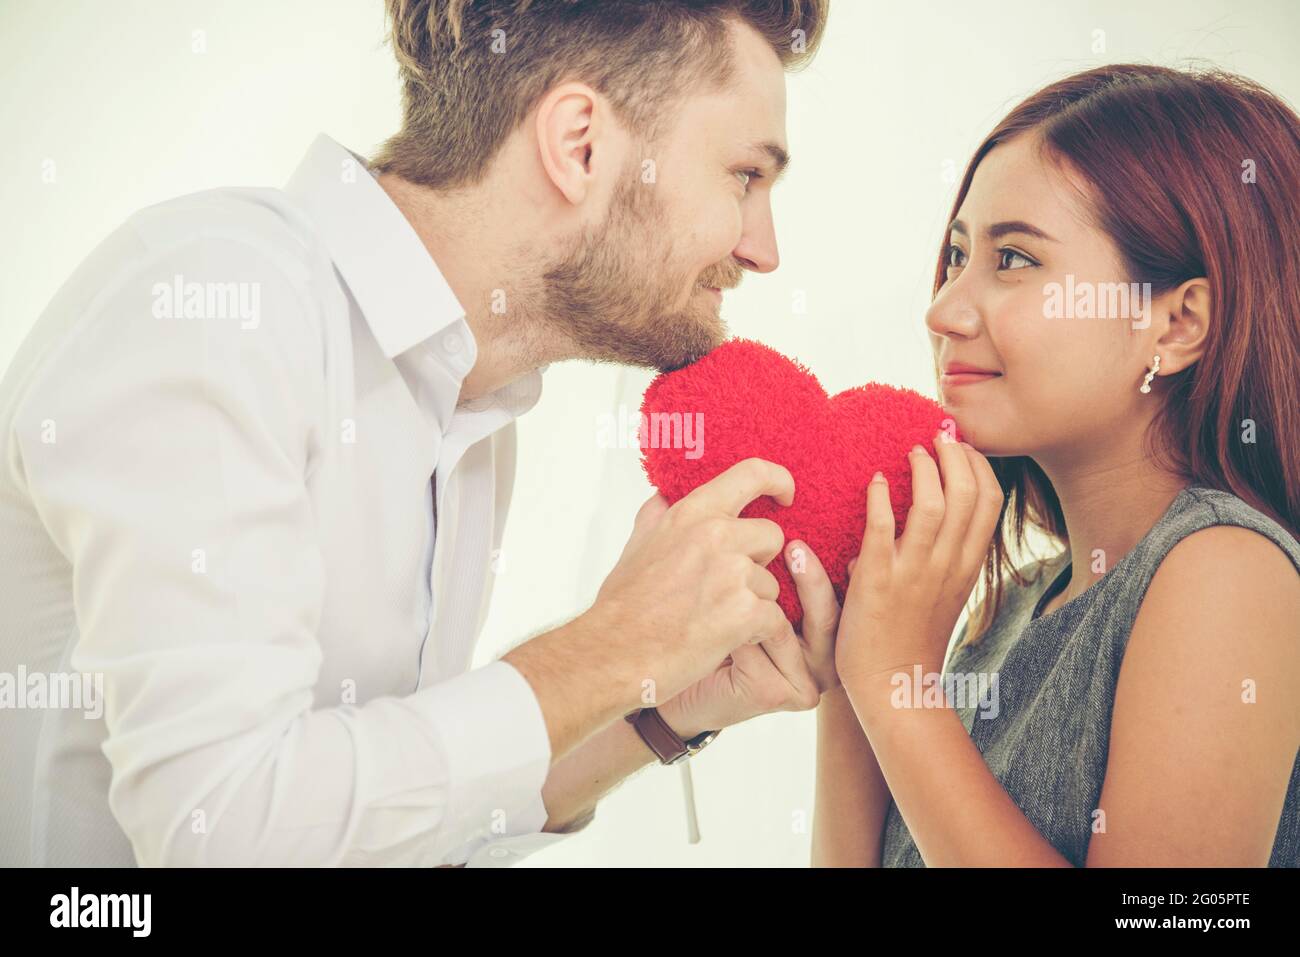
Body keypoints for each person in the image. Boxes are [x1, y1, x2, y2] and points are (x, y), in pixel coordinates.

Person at [0, 0, 833, 867]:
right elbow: (225, 829)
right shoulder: (221, 306)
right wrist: (614, 645)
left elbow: (379, 829)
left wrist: (653, 705)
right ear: (579, 144)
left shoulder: (472, 399)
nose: (766, 249)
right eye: (745, 176)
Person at [804, 64, 1300, 866]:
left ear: (1176, 325)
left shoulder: (1229, 572)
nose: (942, 309)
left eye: (1016, 260)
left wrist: (897, 683)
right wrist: (851, 679)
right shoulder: (1013, 605)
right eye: (958, 253)